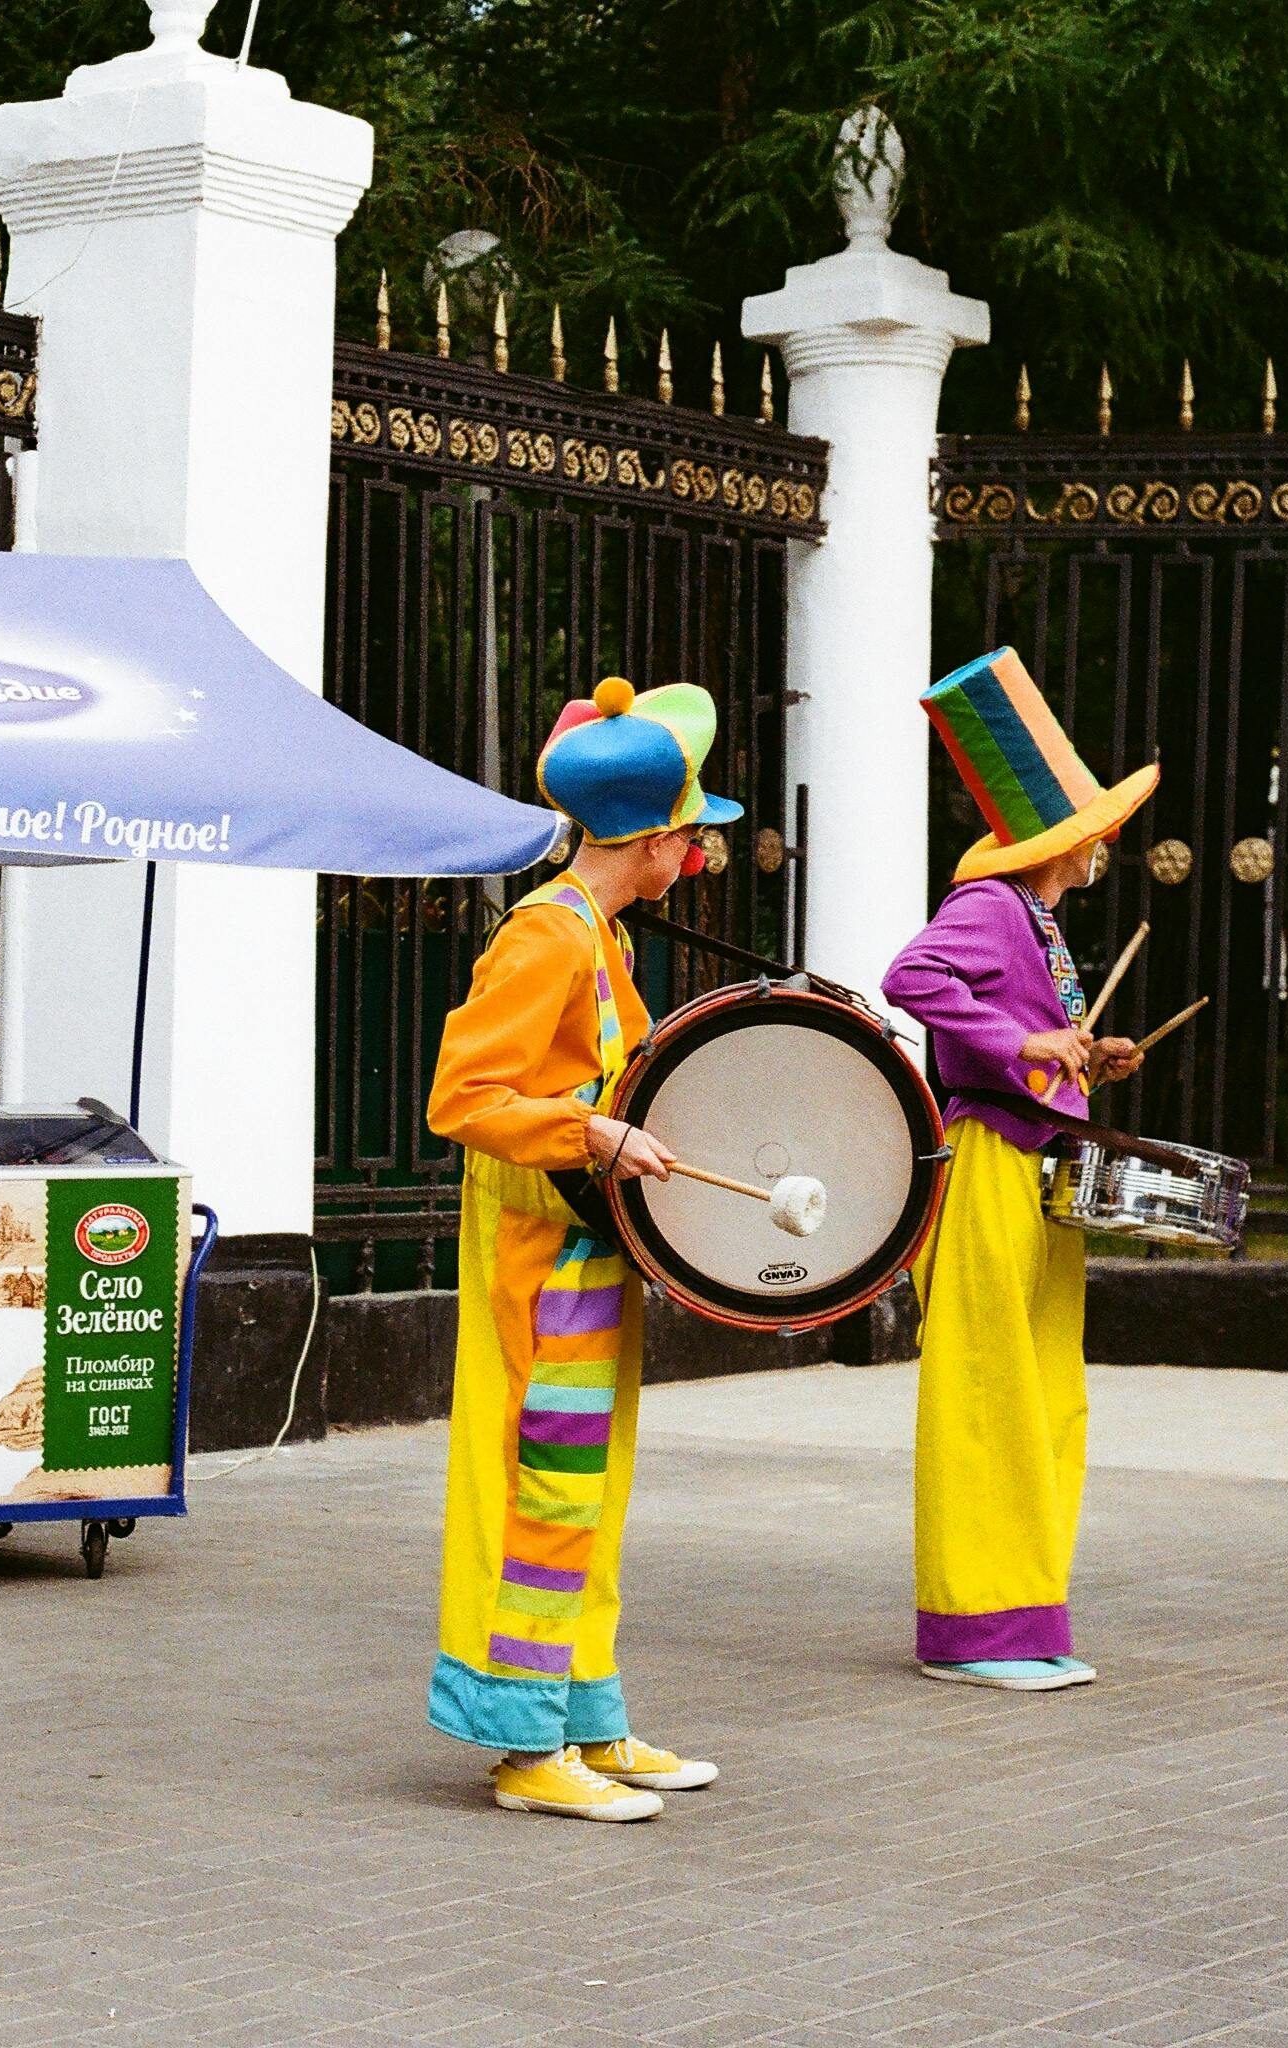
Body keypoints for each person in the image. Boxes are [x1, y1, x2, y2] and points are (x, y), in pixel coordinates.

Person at [422, 676, 737, 1822]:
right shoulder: (543, 937)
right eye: (694, 836)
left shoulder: (598, 934)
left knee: (584, 1492)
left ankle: (586, 1716)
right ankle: (521, 1746)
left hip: (585, 1251)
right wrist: (588, 1128)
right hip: (537, 1258)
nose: (698, 854)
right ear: (652, 841)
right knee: (540, 1493)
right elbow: (460, 1095)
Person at [881, 647, 1155, 1691]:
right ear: (1066, 840)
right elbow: (911, 974)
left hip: (1038, 1163)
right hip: (989, 1159)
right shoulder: (996, 905)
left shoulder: (1035, 920)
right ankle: (972, 1631)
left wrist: (1081, 1053)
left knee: (1046, 1395)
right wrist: (1016, 1046)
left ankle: (1025, 1612)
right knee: (989, 1389)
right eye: (1095, 830)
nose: (1105, 845)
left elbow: (1030, 1035)